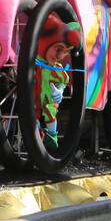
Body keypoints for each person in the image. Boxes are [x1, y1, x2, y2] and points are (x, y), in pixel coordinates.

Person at [35, 14, 81, 147]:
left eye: (65, 52)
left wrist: (60, 91)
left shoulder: (57, 69)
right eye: (58, 49)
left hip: (48, 101)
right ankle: (37, 134)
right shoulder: (32, 64)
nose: (60, 56)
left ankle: (51, 135)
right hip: (32, 102)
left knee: (51, 111)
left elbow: (63, 81)